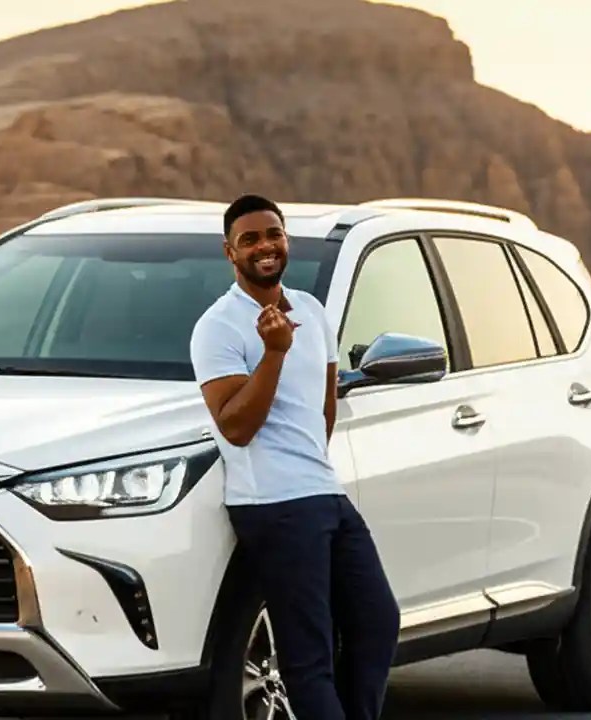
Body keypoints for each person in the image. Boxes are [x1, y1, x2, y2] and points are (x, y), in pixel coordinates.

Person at [189, 194, 400, 719]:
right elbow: (235, 427)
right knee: (309, 653)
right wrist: (274, 354)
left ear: (287, 240)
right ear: (229, 252)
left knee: (377, 620)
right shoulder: (218, 327)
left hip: (324, 493)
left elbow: (322, 412)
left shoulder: (311, 312)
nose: (265, 247)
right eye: (250, 239)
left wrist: (312, 469)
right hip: (273, 504)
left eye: (273, 235)